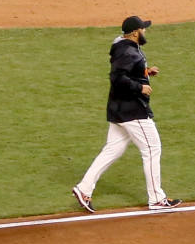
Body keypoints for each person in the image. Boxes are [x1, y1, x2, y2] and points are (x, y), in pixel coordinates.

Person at [73, 17, 178, 213]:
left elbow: (126, 72)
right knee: (152, 148)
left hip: (119, 109)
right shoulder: (128, 52)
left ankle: (83, 188)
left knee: (113, 150)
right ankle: (157, 199)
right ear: (136, 32)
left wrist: (145, 72)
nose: (145, 32)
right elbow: (117, 78)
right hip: (132, 110)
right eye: (143, 29)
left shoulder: (124, 47)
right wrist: (140, 87)